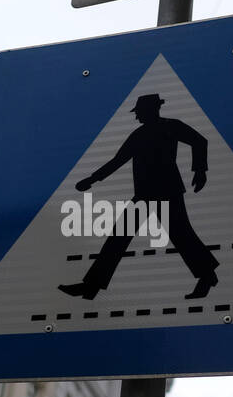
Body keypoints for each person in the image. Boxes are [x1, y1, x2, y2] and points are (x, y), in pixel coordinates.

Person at [58, 93, 219, 301]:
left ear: (152, 110)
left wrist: (199, 171)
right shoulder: (138, 135)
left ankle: (207, 276)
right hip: (144, 194)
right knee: (119, 236)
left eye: (140, 112)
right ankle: (91, 286)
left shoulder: (171, 126)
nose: (137, 117)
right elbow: (117, 160)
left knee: (182, 235)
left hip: (168, 192)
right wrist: (92, 179)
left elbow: (199, 141)